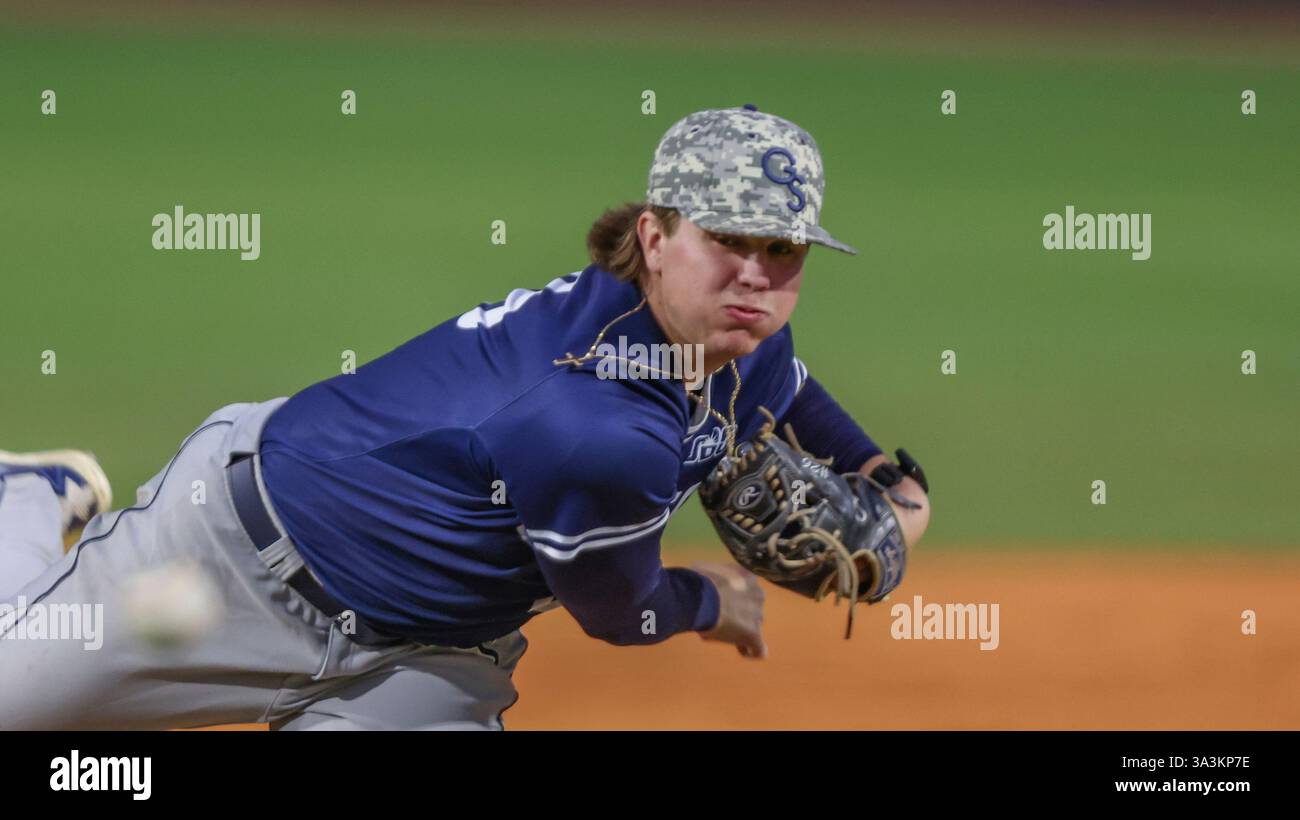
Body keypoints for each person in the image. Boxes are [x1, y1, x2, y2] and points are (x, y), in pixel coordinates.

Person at [0, 105, 929, 730]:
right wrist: (715, 599)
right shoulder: (596, 429)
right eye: (729, 240)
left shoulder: (732, 330)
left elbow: (790, 389)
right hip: (237, 560)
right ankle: (30, 497)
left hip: (431, 658)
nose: (758, 276)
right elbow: (623, 614)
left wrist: (886, 479)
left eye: (785, 249)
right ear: (655, 236)